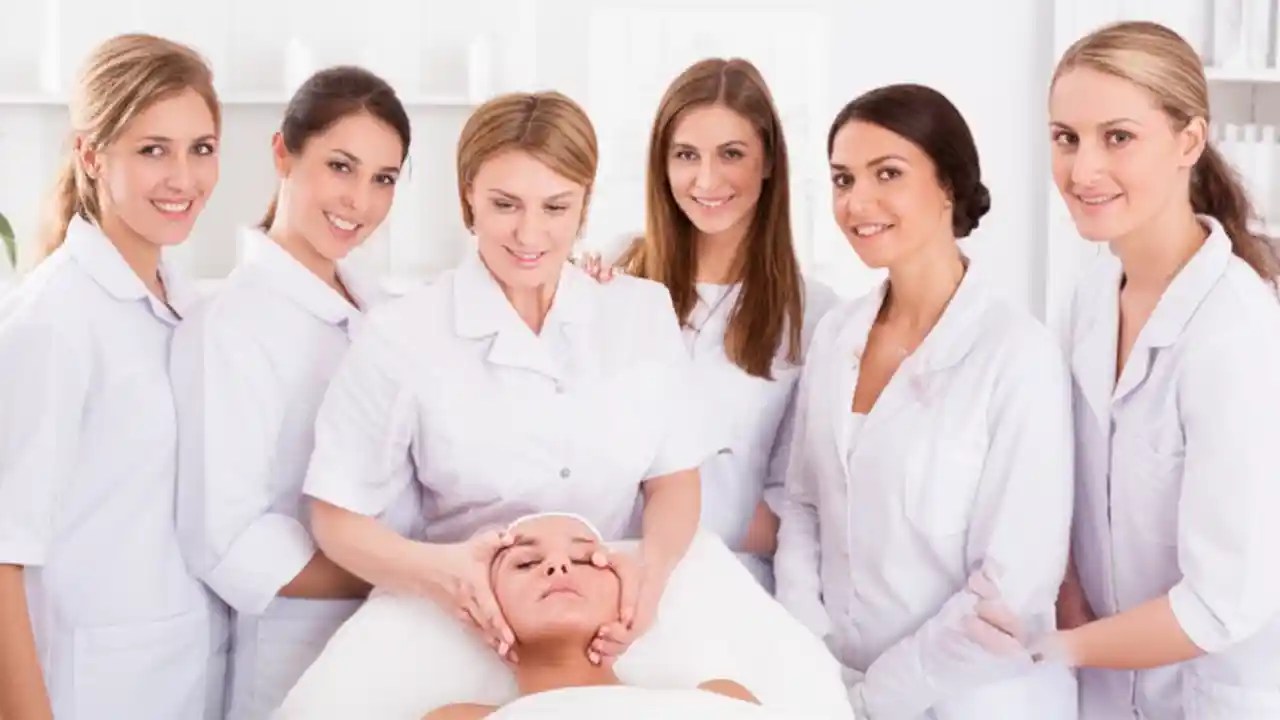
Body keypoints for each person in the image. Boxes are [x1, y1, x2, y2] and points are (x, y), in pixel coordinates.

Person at [301, 91, 709, 669]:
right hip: (460, 632)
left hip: (618, 625)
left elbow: (674, 478)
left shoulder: (640, 311)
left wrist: (652, 571)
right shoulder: (403, 333)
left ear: (585, 204)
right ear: (468, 196)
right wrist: (437, 574)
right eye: (505, 204)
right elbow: (336, 515)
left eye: (556, 207)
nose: (529, 234)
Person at [963, 21, 1280, 718]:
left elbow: (1223, 602)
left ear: (1188, 142)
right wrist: (1064, 604)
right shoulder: (1091, 294)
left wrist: (1054, 648)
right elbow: (1070, 487)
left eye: (1118, 137)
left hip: (1206, 697)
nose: (1083, 171)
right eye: (1066, 138)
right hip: (1106, 692)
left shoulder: (1234, 332)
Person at [774, 84, 1076, 719]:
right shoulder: (836, 334)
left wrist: (874, 698)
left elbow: (1011, 591)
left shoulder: (1016, 354)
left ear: (948, 186)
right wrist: (814, 652)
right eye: (843, 179)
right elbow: (803, 503)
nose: (857, 202)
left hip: (976, 700)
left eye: (887, 173)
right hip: (834, 689)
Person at [170, 66, 418, 719]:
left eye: (384, 179)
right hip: (294, 660)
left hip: (402, 646)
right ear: (283, 153)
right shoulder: (231, 323)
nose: (359, 201)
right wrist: (410, 574)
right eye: (341, 167)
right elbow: (229, 543)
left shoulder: (384, 308)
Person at [0, 33, 227, 719]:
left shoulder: (185, 301)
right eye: (153, 150)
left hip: (183, 678)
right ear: (92, 155)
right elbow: (3, 555)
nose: (183, 179)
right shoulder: (54, 319)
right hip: (91, 692)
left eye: (201, 148)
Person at [583, 58, 837, 590]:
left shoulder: (813, 315)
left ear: (768, 162)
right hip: (608, 572)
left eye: (731, 154)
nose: (706, 180)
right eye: (686, 155)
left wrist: (691, 531)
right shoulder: (618, 273)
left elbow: (800, 501)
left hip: (730, 582)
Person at [422, 513, 758, 719]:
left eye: (585, 559)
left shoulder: (720, 699)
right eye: (525, 563)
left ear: (627, 596)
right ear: (483, 606)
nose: (558, 565)